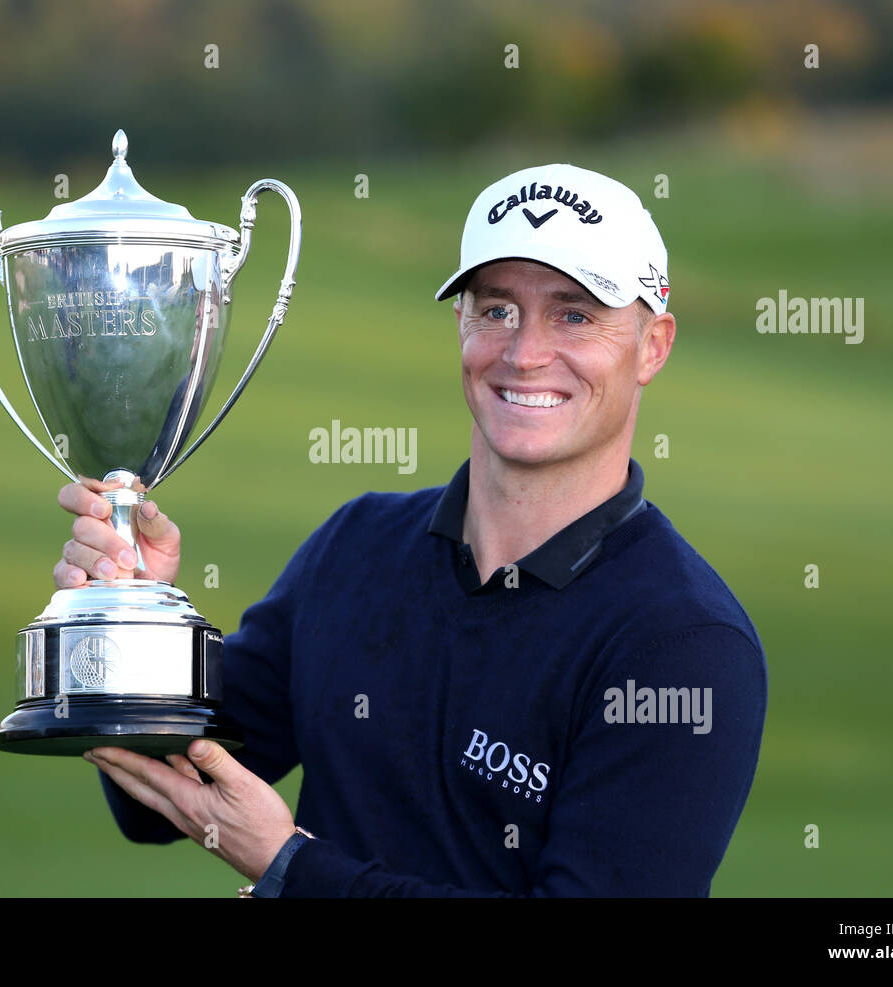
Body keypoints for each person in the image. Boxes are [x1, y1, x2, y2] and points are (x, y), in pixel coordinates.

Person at [55, 163, 768, 897]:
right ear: (460, 322)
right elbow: (158, 801)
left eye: (575, 315)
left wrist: (294, 868)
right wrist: (132, 624)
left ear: (652, 345)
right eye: (496, 309)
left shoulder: (684, 645)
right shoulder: (357, 548)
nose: (524, 352)